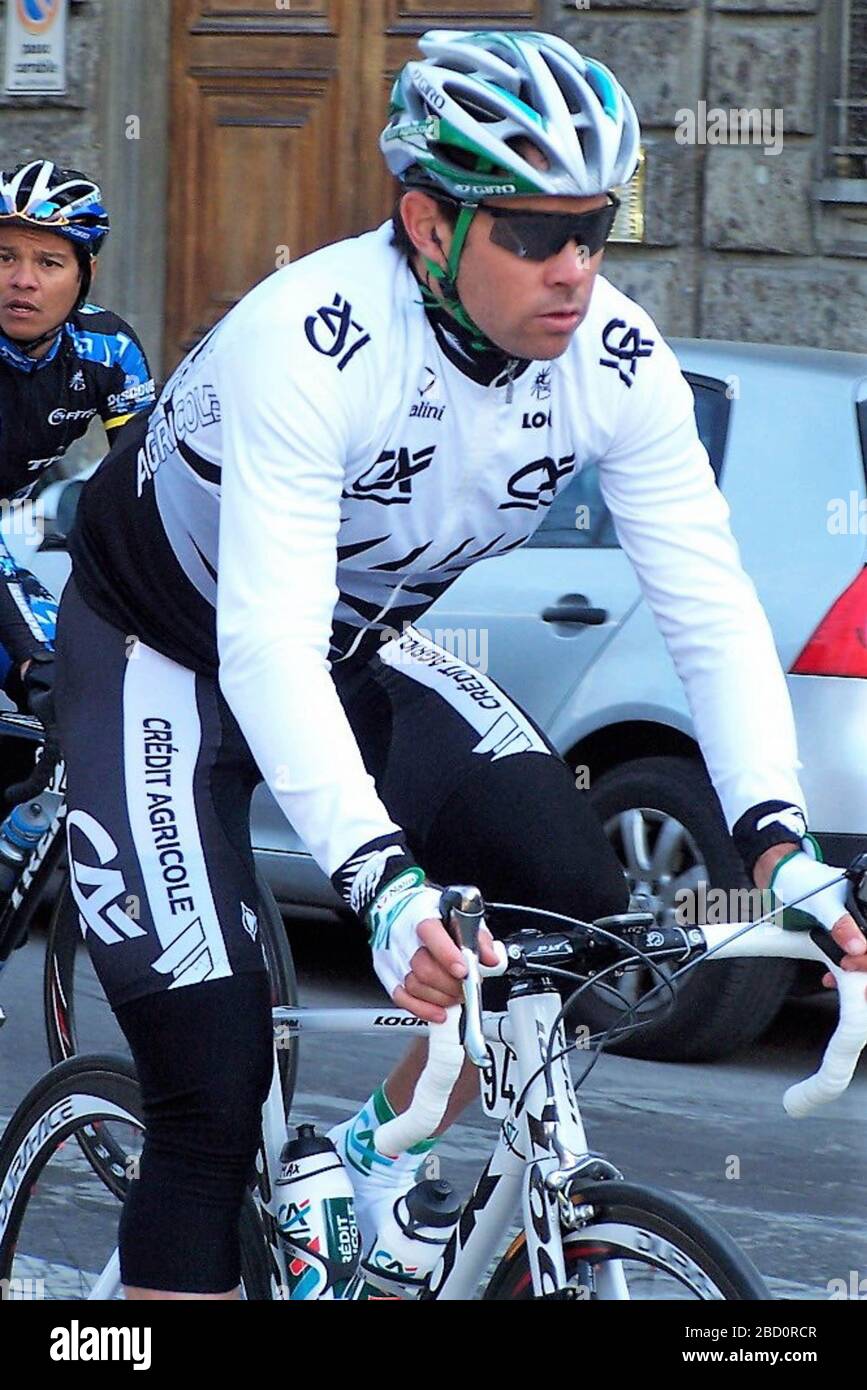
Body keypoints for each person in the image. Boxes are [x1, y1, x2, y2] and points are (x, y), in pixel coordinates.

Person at [54, 29, 867, 1301]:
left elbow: (710, 606)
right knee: (211, 1091)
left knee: (580, 930)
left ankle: (372, 1161)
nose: (577, 270)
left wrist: (777, 838)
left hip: (354, 643)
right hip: (165, 650)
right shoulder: (311, 342)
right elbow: (265, 642)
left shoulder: (614, 363)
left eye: (596, 228)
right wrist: (381, 886)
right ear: (430, 224)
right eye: (535, 234)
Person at [0, 158, 154, 789]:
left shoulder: (109, 351)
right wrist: (39, 659)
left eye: (49, 262)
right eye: (5, 257)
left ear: (85, 275)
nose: (22, 281)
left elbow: (145, 495)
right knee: (44, 666)